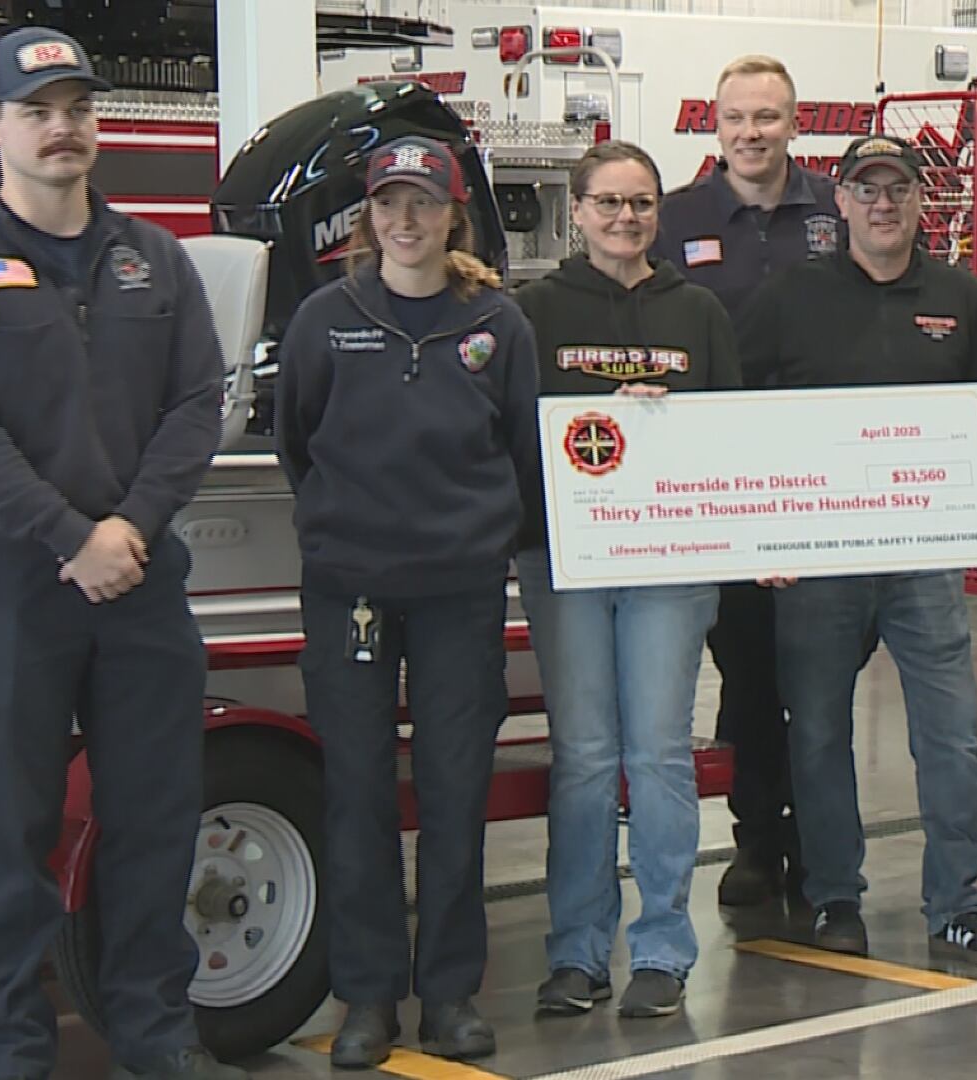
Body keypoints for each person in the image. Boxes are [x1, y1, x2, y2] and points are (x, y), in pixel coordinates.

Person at [0, 27, 242, 1080]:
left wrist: (128, 530)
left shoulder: (155, 258)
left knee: (155, 824)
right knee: (15, 833)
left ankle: (156, 1032)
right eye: (37, 109)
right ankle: (8, 1045)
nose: (62, 128)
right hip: (14, 590)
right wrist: (69, 537)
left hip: (139, 584)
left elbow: (196, 402)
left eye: (78, 108)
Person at [271, 135, 541, 1070]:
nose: (406, 221)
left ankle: (453, 993)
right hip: (350, 591)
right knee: (355, 796)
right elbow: (295, 441)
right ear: (367, 217)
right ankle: (370, 997)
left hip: (461, 593)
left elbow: (524, 449)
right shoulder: (323, 320)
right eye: (389, 204)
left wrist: (480, 538)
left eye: (424, 203)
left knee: (455, 791)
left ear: (453, 214)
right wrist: (352, 536)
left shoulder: (498, 325)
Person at [739, 134, 977, 969]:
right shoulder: (790, 297)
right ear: (842, 204)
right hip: (820, 556)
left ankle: (958, 909)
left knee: (951, 735)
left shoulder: (961, 298)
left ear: (920, 202)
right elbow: (737, 407)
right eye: (866, 190)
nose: (883, 203)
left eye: (898, 188)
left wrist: (954, 484)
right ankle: (834, 899)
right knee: (819, 730)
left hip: (924, 556)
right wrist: (769, 517)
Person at [512, 141, 740, 1019]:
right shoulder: (532, 312)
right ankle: (576, 953)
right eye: (608, 204)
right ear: (577, 211)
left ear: (659, 212)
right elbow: (509, 437)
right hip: (565, 560)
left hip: (669, 564)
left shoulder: (700, 312)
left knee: (657, 754)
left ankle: (663, 950)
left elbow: (731, 432)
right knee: (582, 760)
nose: (625, 219)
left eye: (641, 203)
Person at [650, 54, 843, 907]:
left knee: (824, 667)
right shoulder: (678, 219)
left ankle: (824, 844)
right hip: (720, 476)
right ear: (715, 126)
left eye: (767, 117)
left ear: (793, 124)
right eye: (736, 118)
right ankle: (761, 840)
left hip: (821, 473)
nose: (751, 133)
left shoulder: (838, 211)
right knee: (749, 666)